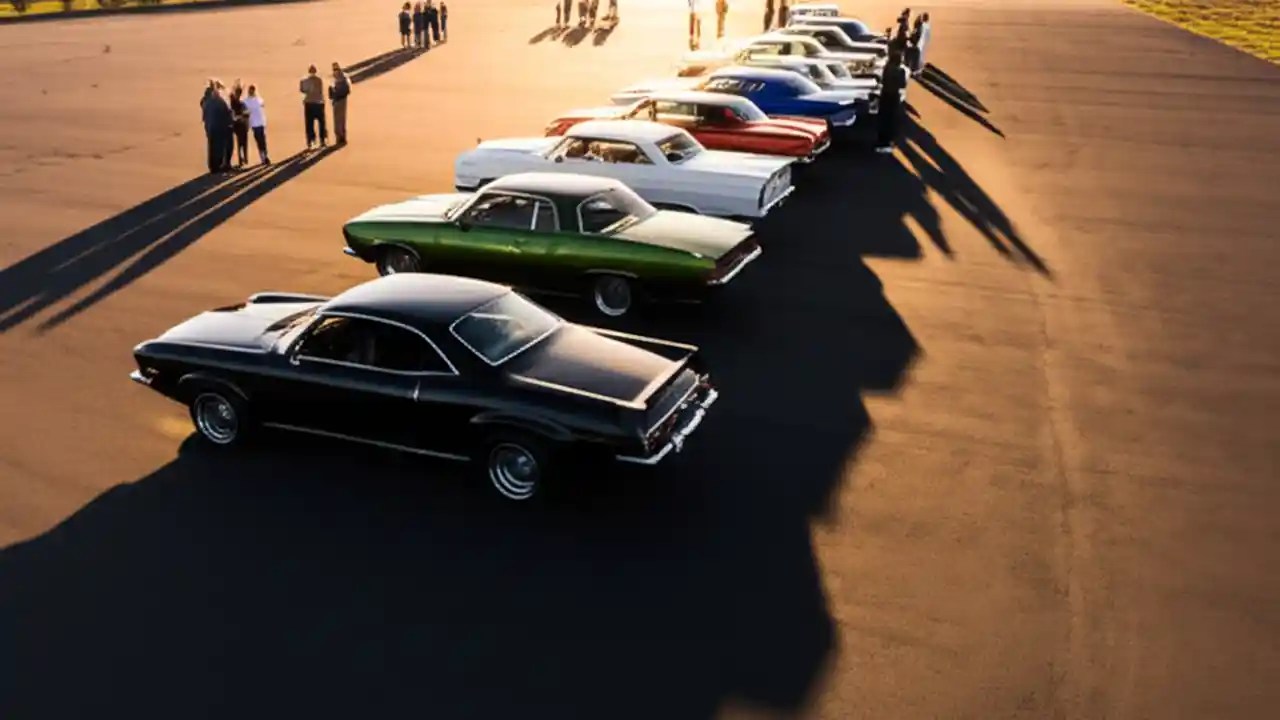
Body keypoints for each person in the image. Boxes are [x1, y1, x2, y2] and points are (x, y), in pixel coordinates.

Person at [875, 49, 908, 154]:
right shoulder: (901, 71)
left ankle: (880, 142)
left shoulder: (887, 68)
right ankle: (887, 143)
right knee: (891, 120)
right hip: (894, 96)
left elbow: (883, 80)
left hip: (884, 95)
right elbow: (903, 85)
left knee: (883, 119)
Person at [299, 64, 327, 149]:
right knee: (322, 122)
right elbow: (320, 91)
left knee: (309, 124)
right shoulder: (319, 80)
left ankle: (310, 141)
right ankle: (322, 140)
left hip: (309, 103)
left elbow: (302, 90)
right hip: (319, 103)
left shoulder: (304, 80)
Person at [243, 84, 270, 164]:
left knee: (261, 140)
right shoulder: (257, 99)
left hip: (258, 123)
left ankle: (264, 156)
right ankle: (264, 156)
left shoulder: (249, 101)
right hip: (258, 123)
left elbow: (245, 111)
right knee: (261, 140)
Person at [229, 82, 250, 168]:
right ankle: (243, 160)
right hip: (240, 126)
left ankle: (243, 159)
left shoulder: (238, 102)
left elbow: (246, 113)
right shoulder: (237, 102)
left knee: (242, 143)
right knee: (242, 143)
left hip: (242, 125)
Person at [329, 62, 350, 145]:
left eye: (336, 69)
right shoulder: (341, 77)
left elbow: (346, 90)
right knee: (340, 120)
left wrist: (334, 93)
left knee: (339, 120)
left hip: (340, 100)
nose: (335, 71)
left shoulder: (342, 78)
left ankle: (340, 138)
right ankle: (341, 137)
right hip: (339, 100)